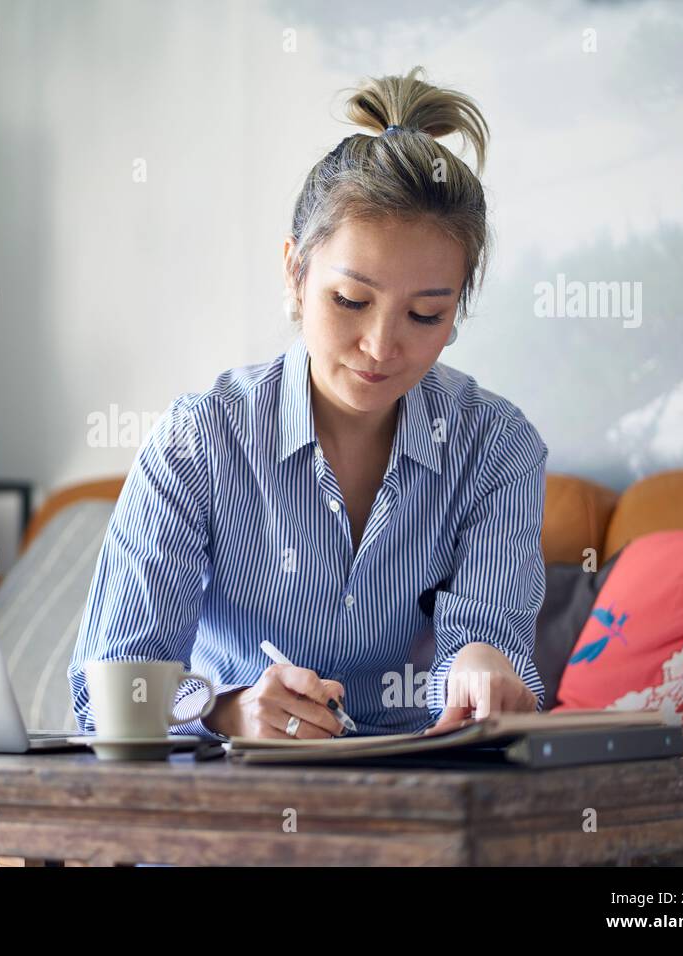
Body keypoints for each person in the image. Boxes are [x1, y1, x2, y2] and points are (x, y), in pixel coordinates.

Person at [68, 66, 548, 741]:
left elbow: (483, 635)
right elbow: (112, 685)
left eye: (426, 314)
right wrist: (227, 709)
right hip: (230, 800)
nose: (381, 345)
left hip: (413, 799)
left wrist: (482, 669)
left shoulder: (496, 446)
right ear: (295, 272)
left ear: (457, 310)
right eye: (350, 301)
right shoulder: (198, 439)